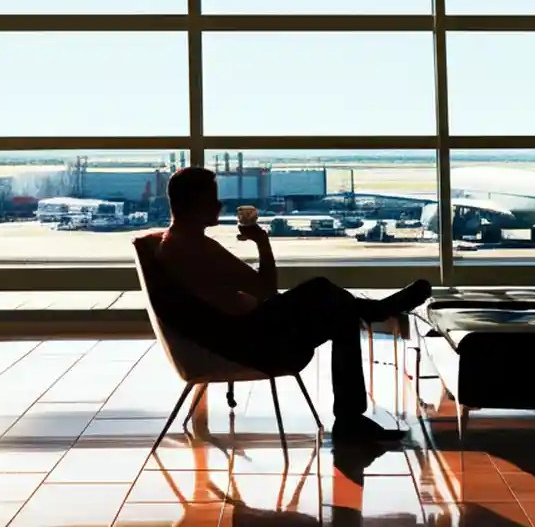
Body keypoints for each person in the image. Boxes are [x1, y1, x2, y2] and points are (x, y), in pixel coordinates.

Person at [154, 167, 431, 442]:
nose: (219, 205)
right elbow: (266, 289)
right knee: (324, 293)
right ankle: (372, 319)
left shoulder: (174, 244)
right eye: (212, 199)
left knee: (336, 306)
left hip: (237, 335)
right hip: (249, 344)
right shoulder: (196, 248)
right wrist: (262, 242)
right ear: (194, 203)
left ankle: (352, 407)